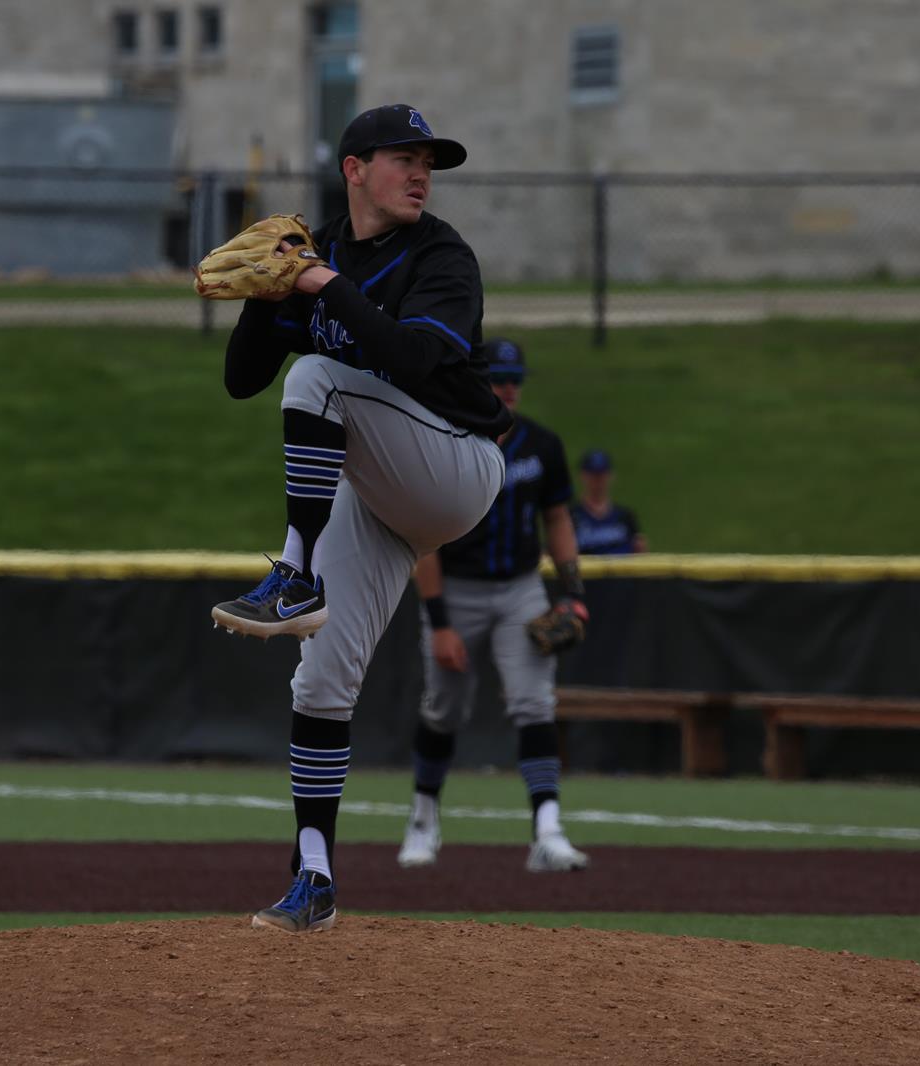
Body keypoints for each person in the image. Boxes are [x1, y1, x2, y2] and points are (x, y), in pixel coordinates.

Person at [209, 104, 511, 933]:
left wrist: (321, 288)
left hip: (456, 464)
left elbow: (411, 360)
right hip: (383, 497)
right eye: (403, 158)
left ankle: (294, 575)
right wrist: (267, 295)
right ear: (354, 168)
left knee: (317, 379)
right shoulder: (317, 254)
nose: (421, 173)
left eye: (429, 162)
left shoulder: (442, 256)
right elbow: (241, 380)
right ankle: (314, 879)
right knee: (318, 680)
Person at [396, 337, 592, 874]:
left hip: (520, 588)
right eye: (498, 377)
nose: (508, 386)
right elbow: (425, 536)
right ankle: (423, 819)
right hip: (455, 588)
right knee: (445, 706)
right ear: (479, 380)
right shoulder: (446, 437)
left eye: (515, 377)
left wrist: (572, 593)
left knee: (534, 703)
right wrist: (438, 623)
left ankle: (547, 829)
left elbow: (557, 519)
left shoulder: (541, 445)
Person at [570, 449, 647, 555]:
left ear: (611, 476)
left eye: (602, 475)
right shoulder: (571, 516)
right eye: (593, 475)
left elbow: (639, 552)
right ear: (583, 476)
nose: (598, 480)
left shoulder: (625, 516)